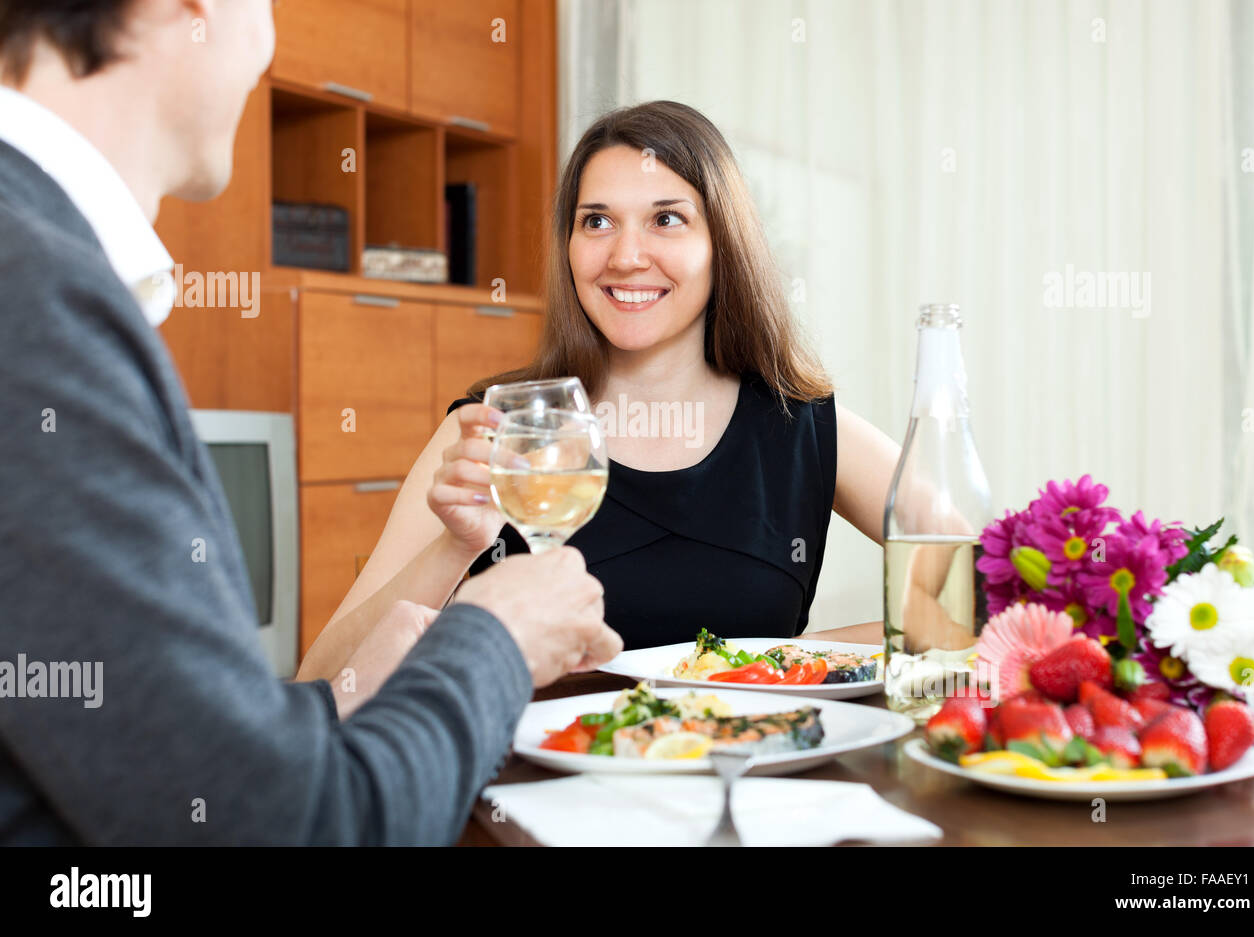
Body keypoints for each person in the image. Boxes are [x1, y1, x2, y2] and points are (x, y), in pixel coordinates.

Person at [0, 0, 620, 845]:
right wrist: (497, 639)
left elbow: (157, 753)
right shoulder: (36, 297)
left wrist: (336, 697)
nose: (268, 38)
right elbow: (279, 827)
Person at [300, 99, 903, 671]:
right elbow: (323, 683)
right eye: (597, 222)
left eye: (666, 219)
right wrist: (453, 551)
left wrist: (765, 662)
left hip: (744, 773)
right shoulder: (494, 430)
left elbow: (981, 592)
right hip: (529, 778)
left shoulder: (801, 427)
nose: (626, 256)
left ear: (723, 245)